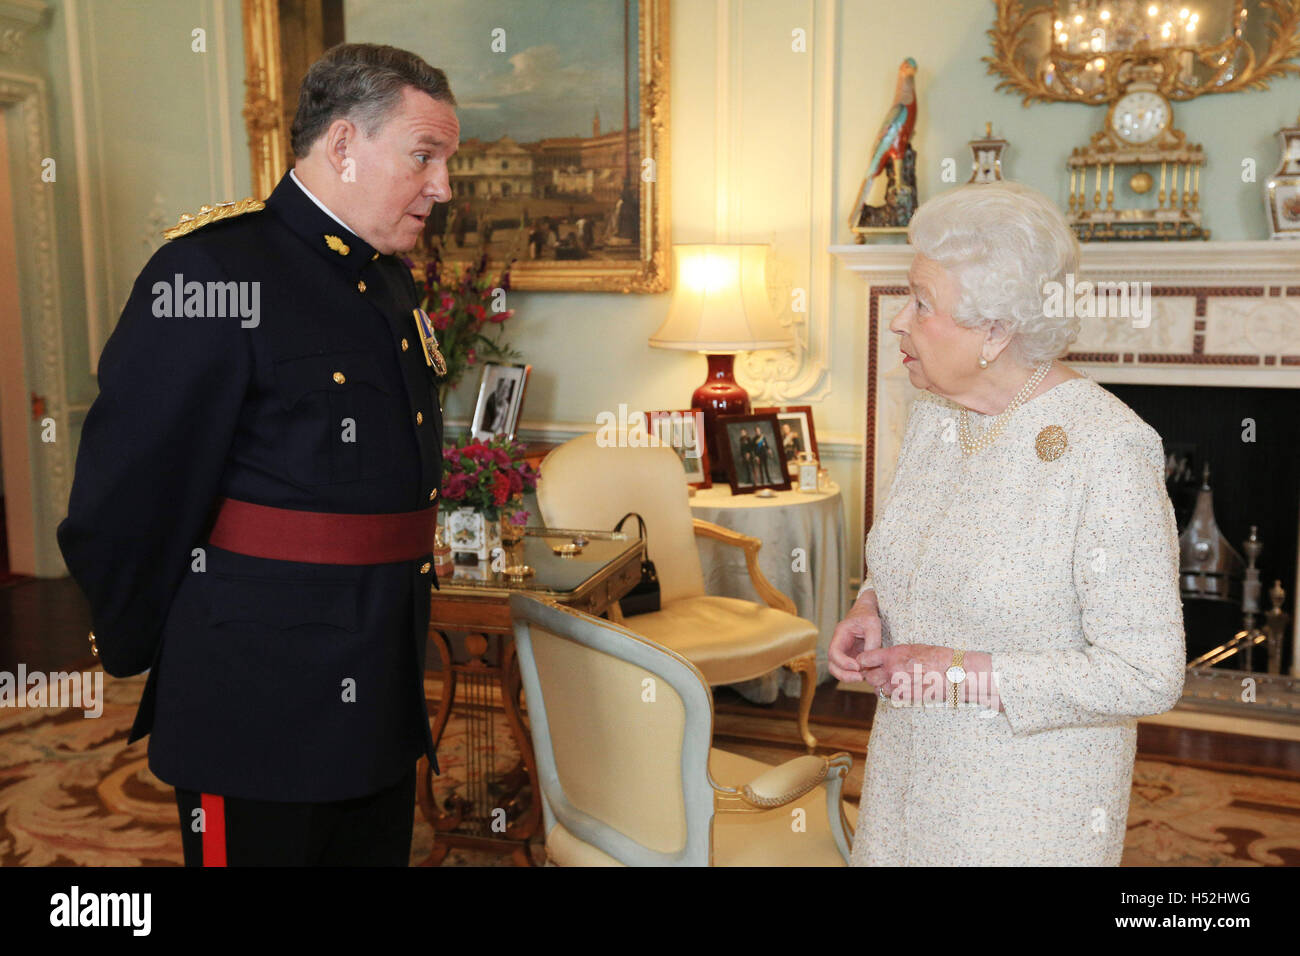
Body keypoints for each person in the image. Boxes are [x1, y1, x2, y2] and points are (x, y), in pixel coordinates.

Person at [57, 43, 458, 866]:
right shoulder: (208, 271)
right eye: (426, 156)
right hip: (258, 692)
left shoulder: (388, 281)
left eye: (447, 161)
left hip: (378, 673)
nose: (443, 186)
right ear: (344, 144)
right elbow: (125, 497)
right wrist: (142, 641)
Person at [828, 181, 1185, 866]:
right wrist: (873, 601)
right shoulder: (935, 412)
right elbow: (915, 547)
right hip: (908, 776)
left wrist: (958, 673)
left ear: (995, 331)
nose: (899, 321)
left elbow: (1146, 672)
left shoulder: (1107, 450)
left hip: (1027, 808)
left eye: (923, 304)